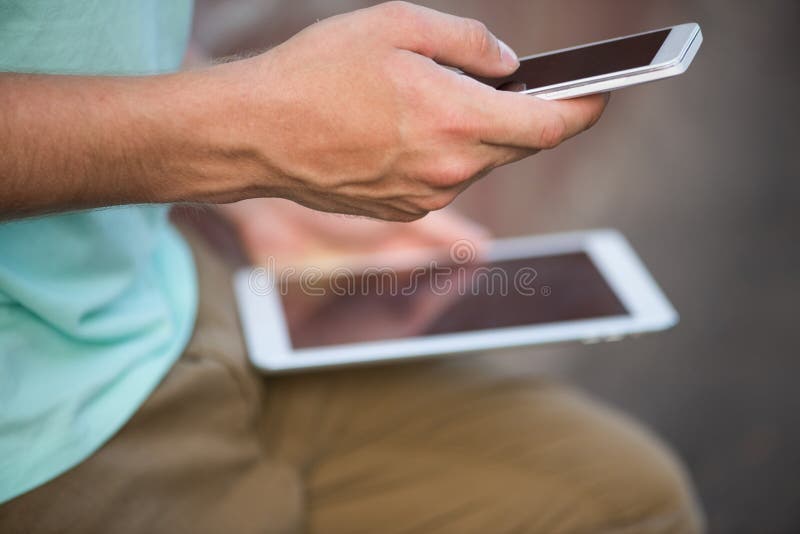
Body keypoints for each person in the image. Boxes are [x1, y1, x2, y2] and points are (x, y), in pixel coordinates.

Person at [0, 1, 703, 532]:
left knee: (632, 494)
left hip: (180, 302)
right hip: (42, 453)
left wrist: (257, 202)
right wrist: (247, 138)